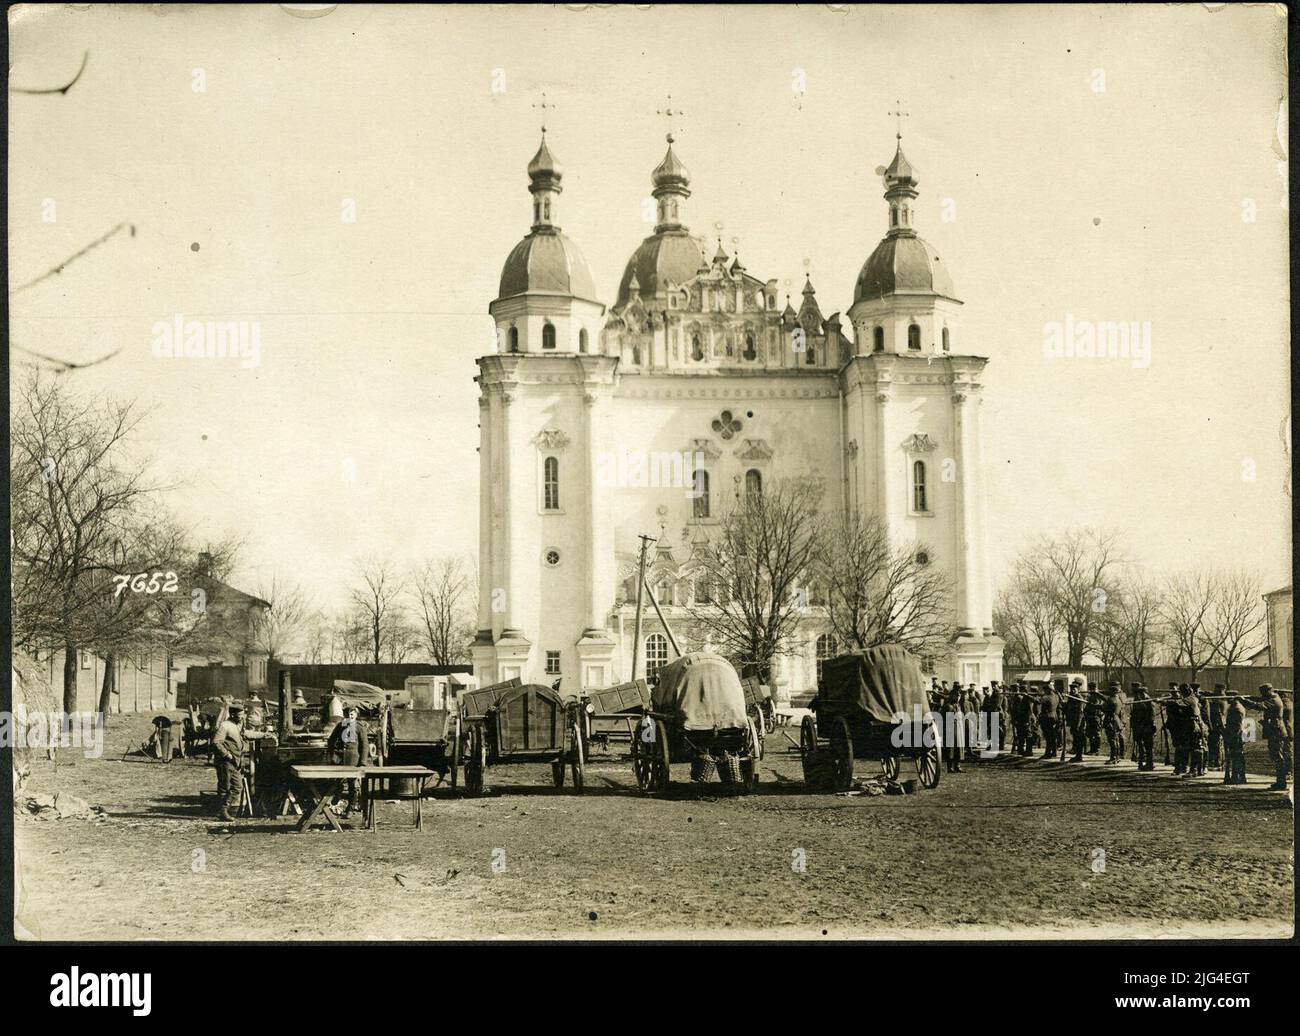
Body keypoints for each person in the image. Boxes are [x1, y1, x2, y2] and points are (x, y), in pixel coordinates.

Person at [1243, 684, 1292, 790]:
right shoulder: (1274, 698)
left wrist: (1244, 701)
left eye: (1264, 693)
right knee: (1276, 756)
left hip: (1276, 731)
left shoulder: (1273, 700)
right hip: (1275, 730)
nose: (1262, 695)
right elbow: (1260, 700)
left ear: (1269, 691)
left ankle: (1281, 782)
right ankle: (1280, 781)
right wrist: (1250, 698)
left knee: (1278, 757)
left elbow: (1259, 706)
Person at [328, 705, 372, 812]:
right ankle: (336, 803)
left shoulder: (360, 727)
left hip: (353, 760)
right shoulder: (341, 725)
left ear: (356, 715)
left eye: (352, 714)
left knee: (352, 784)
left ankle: (351, 807)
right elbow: (331, 740)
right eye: (348, 714)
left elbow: (365, 746)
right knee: (337, 781)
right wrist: (333, 753)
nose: (350, 716)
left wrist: (363, 763)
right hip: (340, 759)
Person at [210, 704, 245, 821]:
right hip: (225, 762)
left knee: (238, 786)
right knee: (224, 787)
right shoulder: (225, 725)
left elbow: (245, 735)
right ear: (233, 714)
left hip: (234, 762)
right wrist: (227, 755)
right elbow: (216, 742)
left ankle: (224, 809)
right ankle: (222, 811)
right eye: (240, 715)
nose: (242, 717)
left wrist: (264, 734)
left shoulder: (236, 725)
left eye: (243, 714)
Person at [1223, 694, 1248, 785]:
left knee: (1236, 756)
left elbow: (1238, 725)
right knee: (1237, 755)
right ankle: (1238, 776)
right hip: (1235, 734)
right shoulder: (1235, 707)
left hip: (1236, 735)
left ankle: (1236, 777)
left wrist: (1233, 737)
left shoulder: (1236, 708)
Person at [1131, 685, 1155, 771]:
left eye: (1141, 693)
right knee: (1141, 745)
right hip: (1140, 726)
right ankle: (1142, 762)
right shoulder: (1140, 700)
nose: (1139, 695)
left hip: (1146, 727)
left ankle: (1149, 764)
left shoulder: (1147, 701)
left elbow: (1151, 716)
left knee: (1148, 746)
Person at [942, 684, 965, 773]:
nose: (958, 697)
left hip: (958, 729)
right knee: (950, 748)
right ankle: (950, 767)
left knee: (959, 748)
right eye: (957, 695)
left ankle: (957, 766)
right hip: (951, 730)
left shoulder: (958, 705)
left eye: (959, 695)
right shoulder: (948, 706)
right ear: (952, 696)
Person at [1206, 683, 1227, 770]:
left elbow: (1220, 715)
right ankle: (1215, 761)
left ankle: (1217, 762)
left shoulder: (1220, 701)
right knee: (1214, 744)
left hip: (1217, 725)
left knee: (1216, 744)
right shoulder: (1218, 699)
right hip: (1215, 725)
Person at [1064, 679, 1086, 762]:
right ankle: (1077, 754)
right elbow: (1068, 708)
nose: (1072, 691)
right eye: (1071, 689)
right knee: (1075, 738)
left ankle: (1079, 756)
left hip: (1078, 722)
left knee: (1078, 738)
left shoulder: (1079, 698)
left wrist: (1078, 724)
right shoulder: (1071, 698)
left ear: (1077, 690)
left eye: (1074, 689)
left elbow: (1080, 712)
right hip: (1073, 721)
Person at [1103, 683, 1125, 764]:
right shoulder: (1118, 699)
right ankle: (1117, 757)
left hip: (1111, 721)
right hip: (1117, 720)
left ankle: (1113, 758)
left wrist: (1096, 706)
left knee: (1112, 740)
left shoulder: (1111, 700)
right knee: (1116, 739)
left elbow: (1104, 709)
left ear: (1112, 692)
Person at [1038, 683, 1060, 760]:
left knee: (1048, 737)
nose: (1044, 691)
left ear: (1048, 690)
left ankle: (1048, 753)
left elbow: (1038, 701)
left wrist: (1027, 696)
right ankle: (1054, 752)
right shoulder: (1056, 696)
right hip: (1054, 717)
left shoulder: (1046, 697)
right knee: (1053, 736)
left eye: (1045, 689)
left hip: (1047, 718)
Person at [1084, 683, 1103, 755]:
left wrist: (1090, 706)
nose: (1090, 690)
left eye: (1091, 688)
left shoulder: (1097, 696)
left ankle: (1097, 750)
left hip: (1096, 717)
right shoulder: (1090, 696)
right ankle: (1092, 749)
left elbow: (1097, 707)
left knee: (1096, 733)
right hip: (1090, 717)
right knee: (1090, 734)